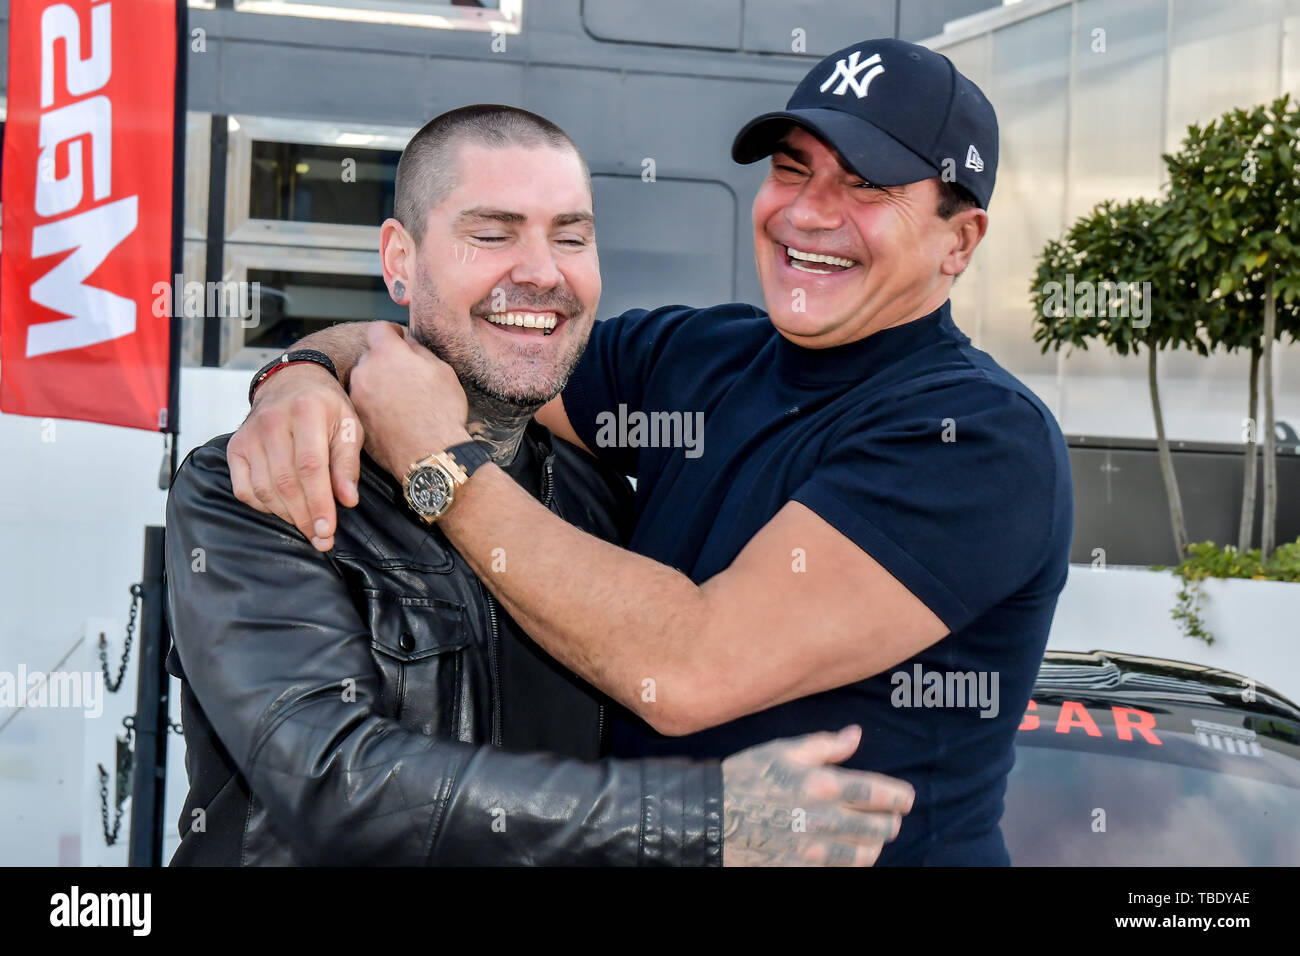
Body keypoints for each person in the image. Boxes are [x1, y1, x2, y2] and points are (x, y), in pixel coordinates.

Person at [230, 39, 1075, 865]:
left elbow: (687, 668)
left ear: (959, 241)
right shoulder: (699, 355)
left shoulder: (977, 438)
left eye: (867, 185)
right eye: (791, 169)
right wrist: (303, 372)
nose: (810, 212)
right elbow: (460, 352)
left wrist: (438, 462)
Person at [164, 104, 913, 867]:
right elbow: (331, 781)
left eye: (571, 237)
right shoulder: (259, 485)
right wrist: (701, 819)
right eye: (491, 233)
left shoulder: (598, 499)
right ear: (400, 260)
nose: (541, 272)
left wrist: (307, 365)